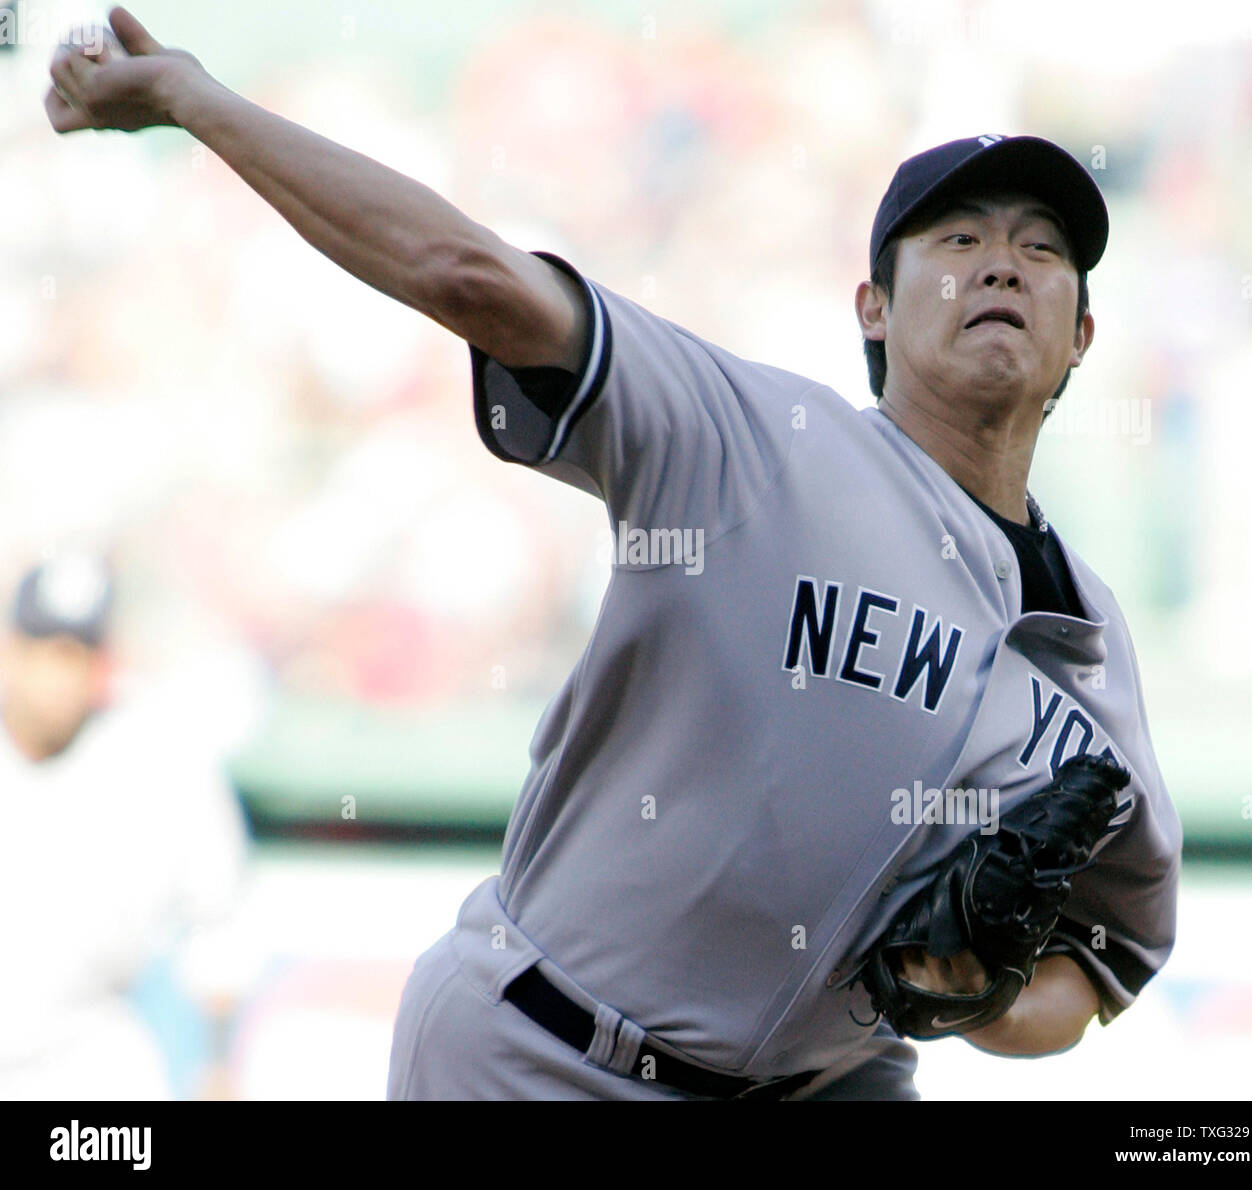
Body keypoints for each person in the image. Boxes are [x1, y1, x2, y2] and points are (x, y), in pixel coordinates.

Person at [46, 10, 1181, 1100]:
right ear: (872, 307)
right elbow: (470, 276)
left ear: (1080, 329)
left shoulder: (1094, 655)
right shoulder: (747, 442)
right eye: (959, 240)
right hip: (541, 1055)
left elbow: (1100, 963)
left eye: (1040, 249)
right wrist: (196, 100)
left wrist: (978, 999)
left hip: (821, 1083)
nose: (1001, 265)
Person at [0, 553, 249, 1098]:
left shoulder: (157, 758)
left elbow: (217, 924)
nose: (63, 677)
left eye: (82, 655)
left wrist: (218, 1063)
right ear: (12, 650)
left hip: (89, 1061)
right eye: (50, 652)